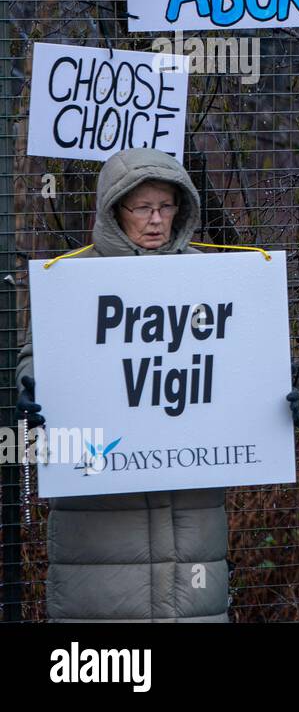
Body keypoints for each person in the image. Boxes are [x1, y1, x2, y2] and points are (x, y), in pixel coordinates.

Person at [14, 149, 234, 622]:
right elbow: (34, 361)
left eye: (167, 206)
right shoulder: (71, 281)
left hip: (190, 513)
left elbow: (236, 361)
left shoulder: (216, 279)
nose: (157, 220)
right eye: (143, 208)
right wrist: (29, 393)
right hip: (98, 515)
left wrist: (266, 404)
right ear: (115, 210)